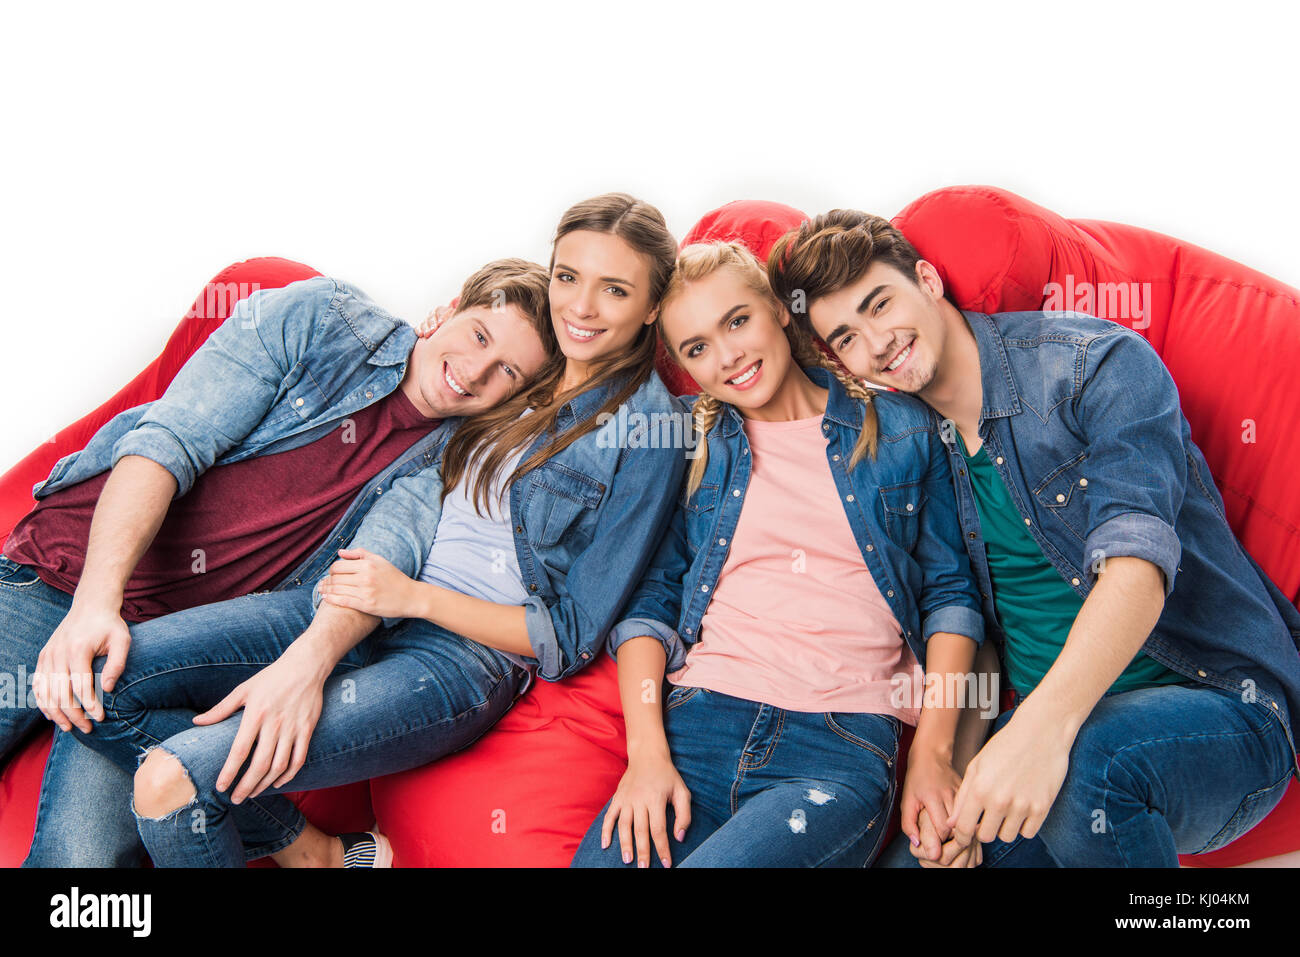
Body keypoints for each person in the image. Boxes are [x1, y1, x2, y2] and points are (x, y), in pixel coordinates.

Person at [57, 192, 689, 867]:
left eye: (614, 290)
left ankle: (318, 855)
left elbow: (569, 636)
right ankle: (322, 853)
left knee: (171, 783)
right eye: (569, 277)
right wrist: (347, 621)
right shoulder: (525, 372)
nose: (581, 307)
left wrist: (413, 598)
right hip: (360, 601)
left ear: (652, 306)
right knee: (94, 681)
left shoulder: (649, 430)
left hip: (454, 657)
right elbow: (410, 500)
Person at [769, 210, 1300, 867]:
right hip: (1042, 749)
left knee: (1091, 765)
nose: (877, 342)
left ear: (927, 280)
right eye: (847, 337)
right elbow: (986, 636)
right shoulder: (916, 451)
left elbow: (1138, 564)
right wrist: (956, 770)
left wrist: (1042, 728)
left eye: (880, 304)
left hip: (1219, 714)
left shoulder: (1092, 365)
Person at [2, 257, 554, 866]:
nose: (475, 372)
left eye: (507, 372)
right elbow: (169, 441)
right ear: (446, 311)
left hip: (165, 651)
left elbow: (374, 563)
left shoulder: (453, 462)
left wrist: (308, 666)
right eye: (479, 335)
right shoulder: (322, 318)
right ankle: (306, 847)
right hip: (60, 576)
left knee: (76, 866)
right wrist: (93, 605)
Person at [570, 240, 985, 868]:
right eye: (697, 347)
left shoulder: (900, 427)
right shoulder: (691, 441)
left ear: (779, 310)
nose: (729, 355)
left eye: (738, 321)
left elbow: (951, 597)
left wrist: (932, 754)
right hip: (696, 726)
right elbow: (650, 604)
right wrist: (648, 755)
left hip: (837, 744)